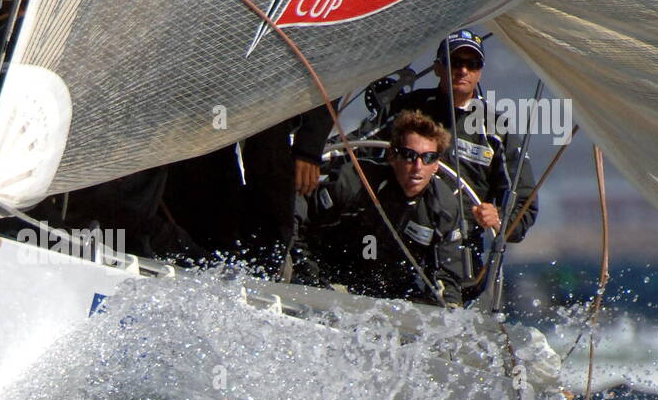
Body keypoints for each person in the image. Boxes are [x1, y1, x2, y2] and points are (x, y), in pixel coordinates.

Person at [290, 109, 467, 307]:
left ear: (436, 165)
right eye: (409, 155)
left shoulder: (444, 208)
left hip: (391, 294)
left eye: (428, 158)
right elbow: (297, 215)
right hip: (327, 276)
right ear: (393, 156)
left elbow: (447, 274)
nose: (418, 166)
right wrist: (308, 273)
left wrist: (450, 308)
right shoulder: (354, 180)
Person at [388, 29, 539, 250]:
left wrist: (498, 218)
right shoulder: (408, 108)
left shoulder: (495, 129)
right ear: (438, 67)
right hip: (394, 234)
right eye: (455, 62)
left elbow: (525, 201)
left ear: (480, 72)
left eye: (473, 64)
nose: (463, 70)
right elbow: (362, 152)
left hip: (459, 249)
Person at [162, 102, 336, 272]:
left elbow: (326, 76)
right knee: (206, 163)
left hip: (272, 96)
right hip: (211, 101)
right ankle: (210, 254)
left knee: (270, 159)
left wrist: (309, 149)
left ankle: (268, 263)